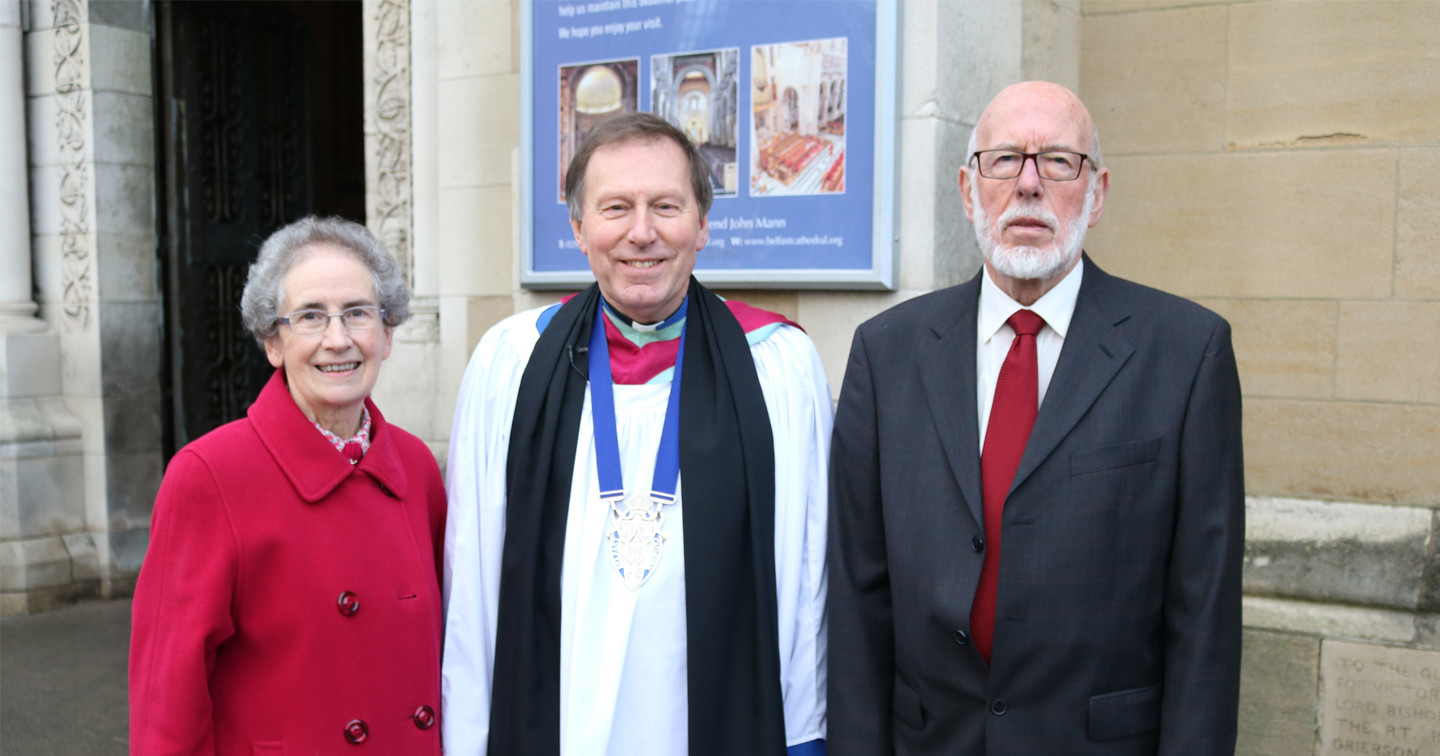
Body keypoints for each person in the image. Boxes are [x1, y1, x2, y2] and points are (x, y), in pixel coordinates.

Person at [827, 81, 1244, 754]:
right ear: (968, 192)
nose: (1028, 184)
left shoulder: (1186, 353)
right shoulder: (886, 353)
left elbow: (1205, 615)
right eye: (1003, 160)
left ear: (1097, 193)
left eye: (1057, 161)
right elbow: (857, 596)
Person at [442, 113, 831, 756]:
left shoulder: (775, 366)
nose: (641, 232)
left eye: (666, 206)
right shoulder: (511, 362)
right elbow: (474, 572)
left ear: (702, 224)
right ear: (579, 229)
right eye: (616, 207)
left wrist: (803, 734)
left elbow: (807, 571)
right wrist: (468, 737)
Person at [129, 217, 447, 754]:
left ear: (387, 333)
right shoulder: (209, 474)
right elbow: (168, 698)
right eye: (310, 317)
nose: (337, 340)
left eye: (358, 313)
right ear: (272, 342)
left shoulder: (416, 466)